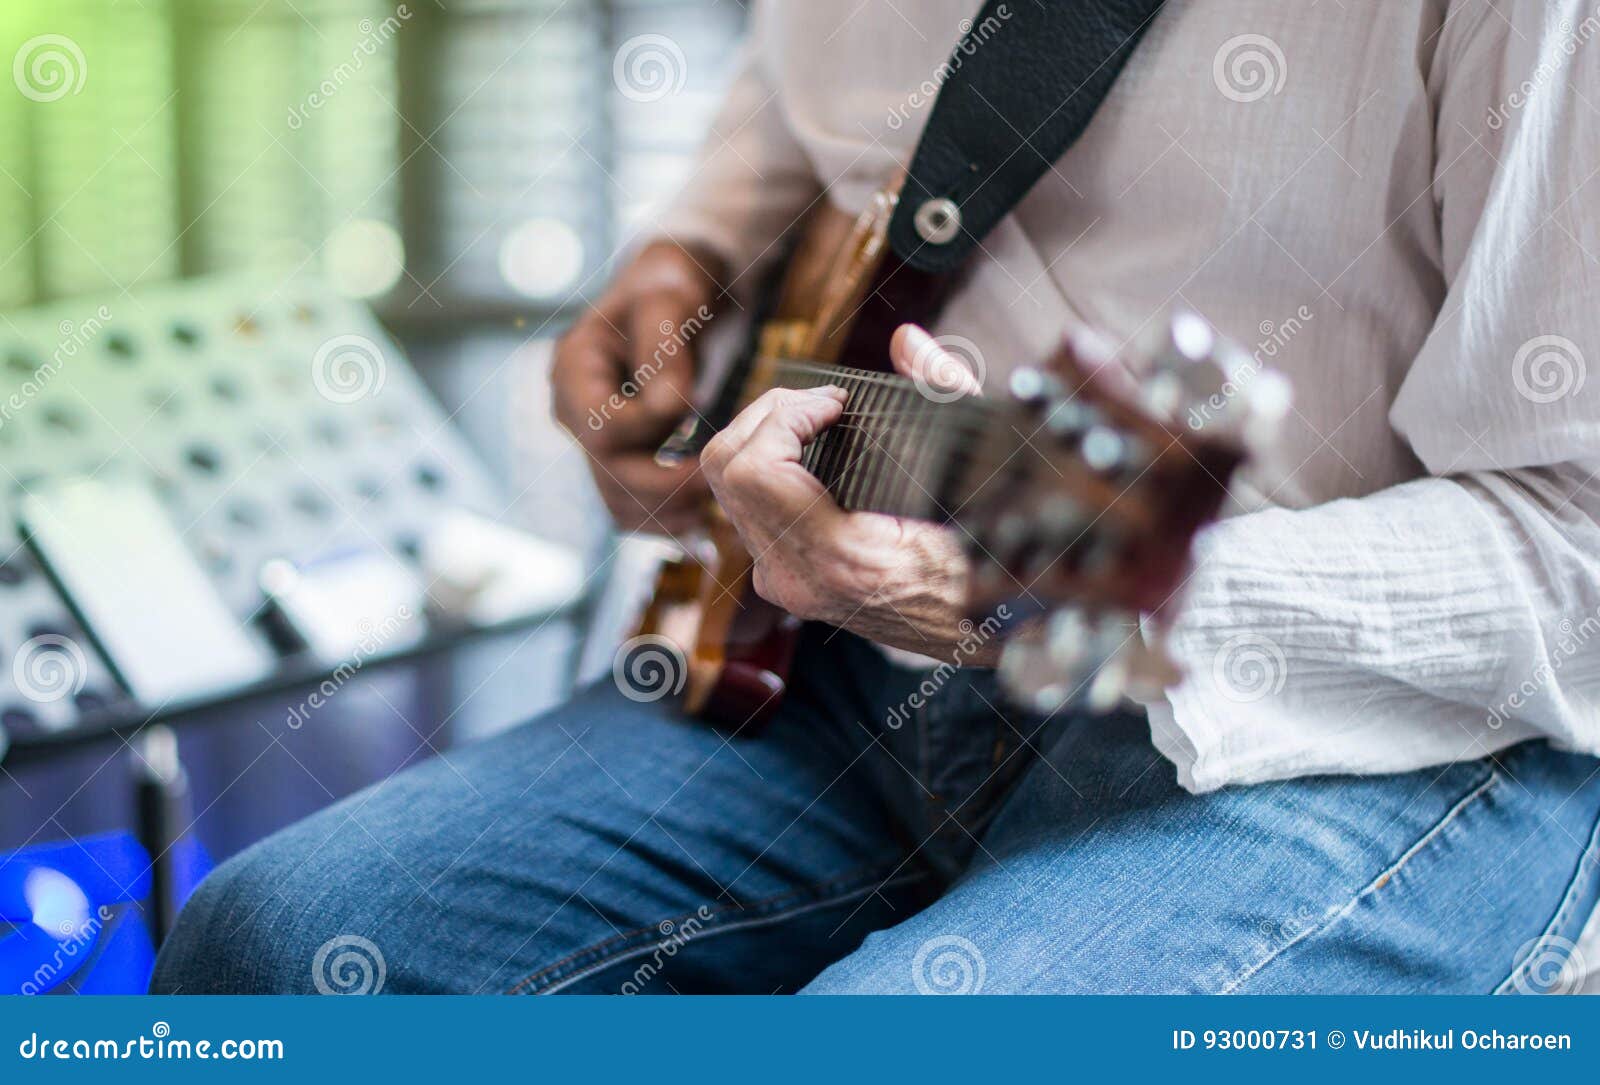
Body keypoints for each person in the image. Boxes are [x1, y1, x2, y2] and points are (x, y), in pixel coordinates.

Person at [153, 0, 1600, 994]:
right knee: (272, 943)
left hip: (1365, 732)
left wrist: (1049, 589)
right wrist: (689, 264)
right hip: (855, 665)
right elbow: (818, 96)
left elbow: (1577, 548)